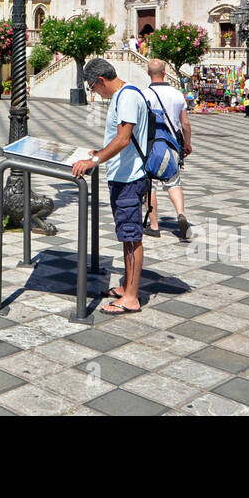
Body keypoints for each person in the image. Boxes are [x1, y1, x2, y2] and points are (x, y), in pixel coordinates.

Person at [71, 58, 149, 315]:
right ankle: (127, 285)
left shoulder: (126, 97)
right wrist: (101, 152)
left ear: (101, 81)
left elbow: (124, 139)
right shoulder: (126, 94)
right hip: (123, 174)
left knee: (130, 237)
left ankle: (131, 297)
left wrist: (94, 160)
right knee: (127, 236)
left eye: (93, 87)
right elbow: (119, 140)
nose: (95, 93)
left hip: (129, 177)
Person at [141, 60, 193, 240]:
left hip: (150, 147)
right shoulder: (177, 94)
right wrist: (187, 143)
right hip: (172, 145)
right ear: (164, 72)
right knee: (173, 182)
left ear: (148, 73)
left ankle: (154, 226)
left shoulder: (144, 94)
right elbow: (185, 123)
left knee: (150, 186)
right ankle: (181, 213)